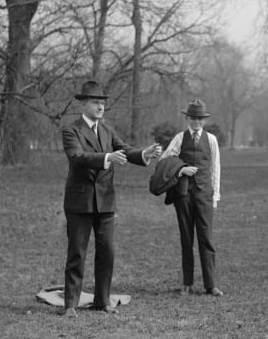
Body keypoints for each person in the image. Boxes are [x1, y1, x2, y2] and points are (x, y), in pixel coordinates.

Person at [60, 80, 161, 317]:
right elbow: (77, 157)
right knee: (77, 252)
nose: (101, 107)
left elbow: (124, 149)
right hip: (79, 202)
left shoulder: (106, 129)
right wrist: (107, 157)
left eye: (103, 103)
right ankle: (71, 306)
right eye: (95, 102)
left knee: (108, 251)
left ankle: (102, 301)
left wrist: (144, 154)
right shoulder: (70, 130)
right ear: (83, 104)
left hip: (105, 201)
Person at [159, 98, 223, 296]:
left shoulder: (211, 140)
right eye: (193, 118)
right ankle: (186, 283)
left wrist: (215, 196)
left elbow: (215, 169)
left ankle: (210, 284)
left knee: (206, 239)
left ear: (204, 120)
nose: (196, 122)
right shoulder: (180, 138)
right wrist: (181, 169)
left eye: (200, 119)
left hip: (204, 194)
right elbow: (165, 160)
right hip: (184, 195)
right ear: (187, 118)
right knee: (186, 238)